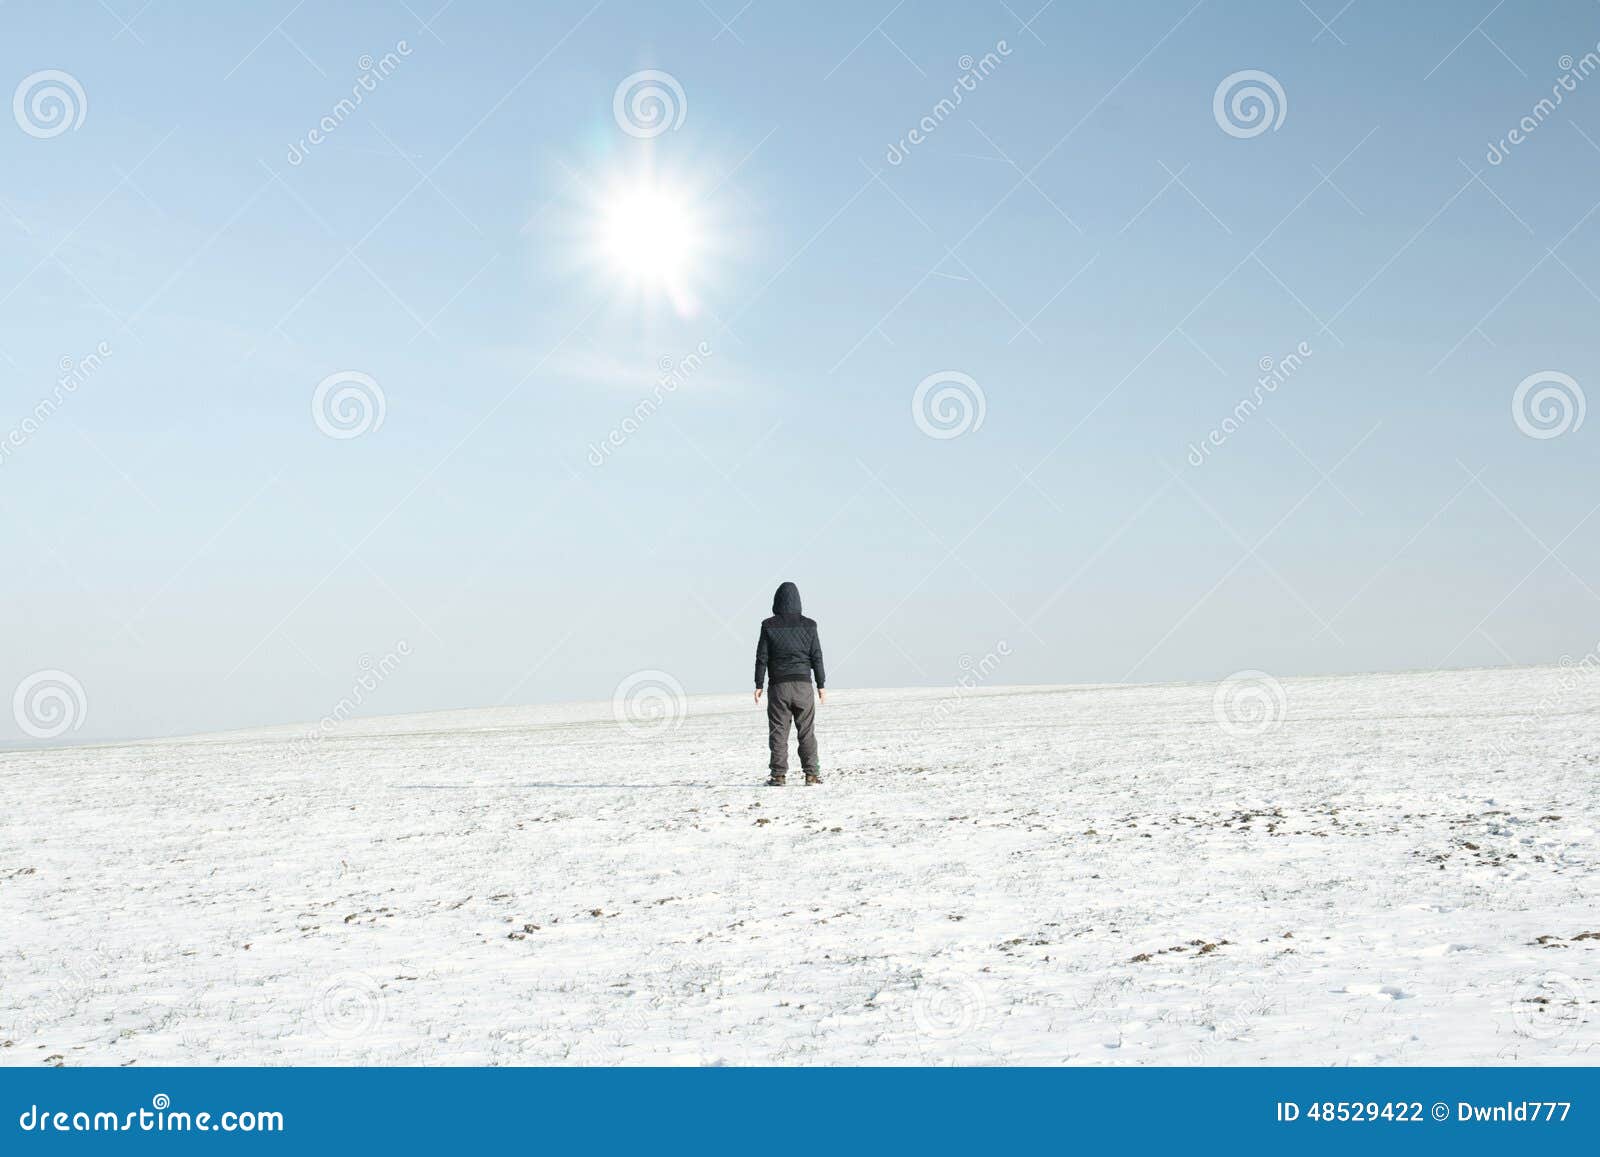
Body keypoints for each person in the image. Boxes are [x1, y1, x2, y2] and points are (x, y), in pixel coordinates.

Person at [753, 581, 826, 786]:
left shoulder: (768, 625)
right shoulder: (810, 625)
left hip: (778, 687)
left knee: (778, 731)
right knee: (806, 731)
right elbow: (817, 656)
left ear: (777, 601)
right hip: (803, 686)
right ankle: (811, 775)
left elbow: (762, 657)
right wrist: (821, 684)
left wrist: (759, 684)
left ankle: (778, 776)